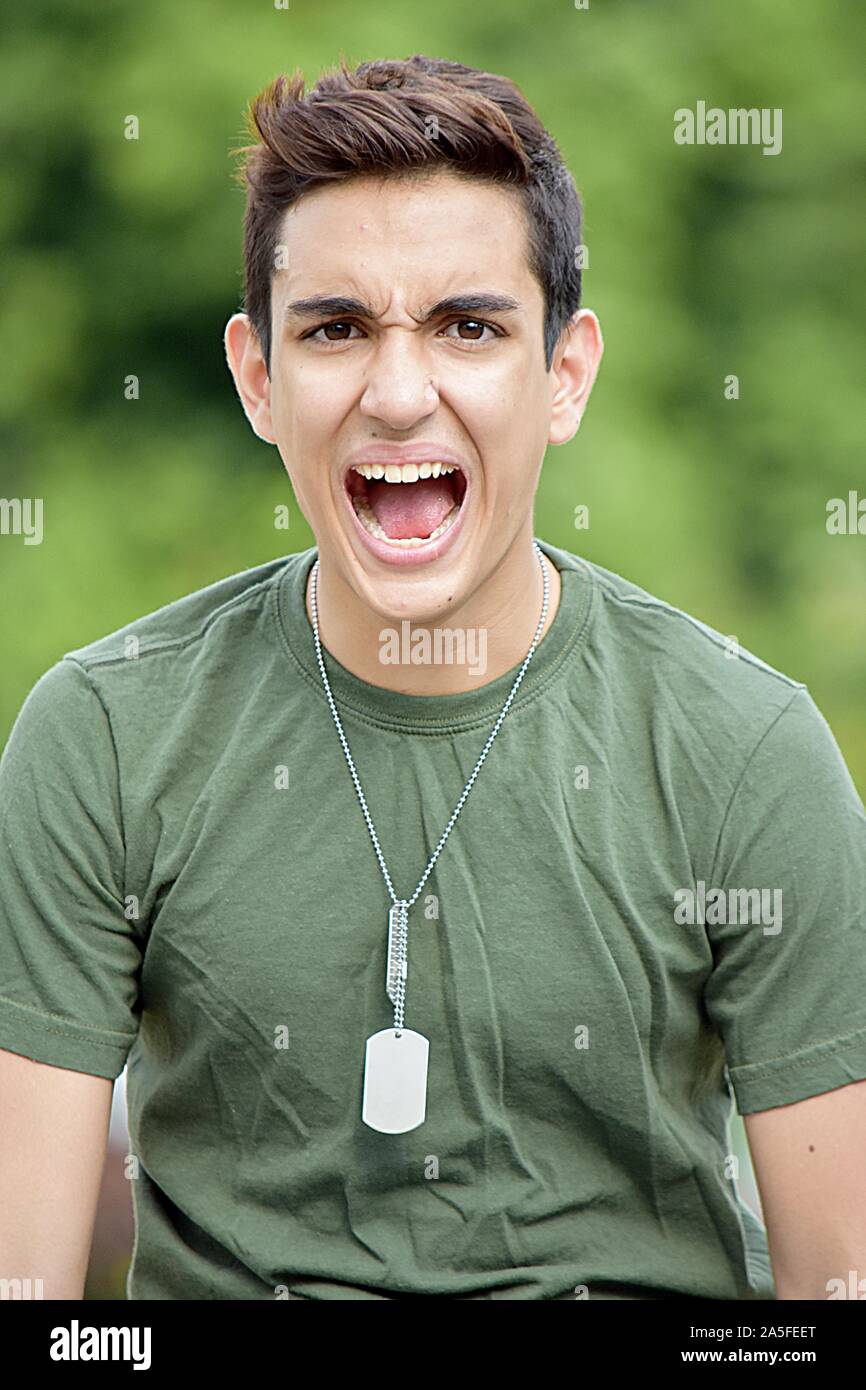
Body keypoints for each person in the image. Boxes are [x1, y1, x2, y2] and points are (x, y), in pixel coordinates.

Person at [1, 54, 865, 1302]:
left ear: (562, 374)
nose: (399, 394)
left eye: (468, 326)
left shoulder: (744, 751)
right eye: (336, 328)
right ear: (258, 378)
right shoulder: (104, 737)